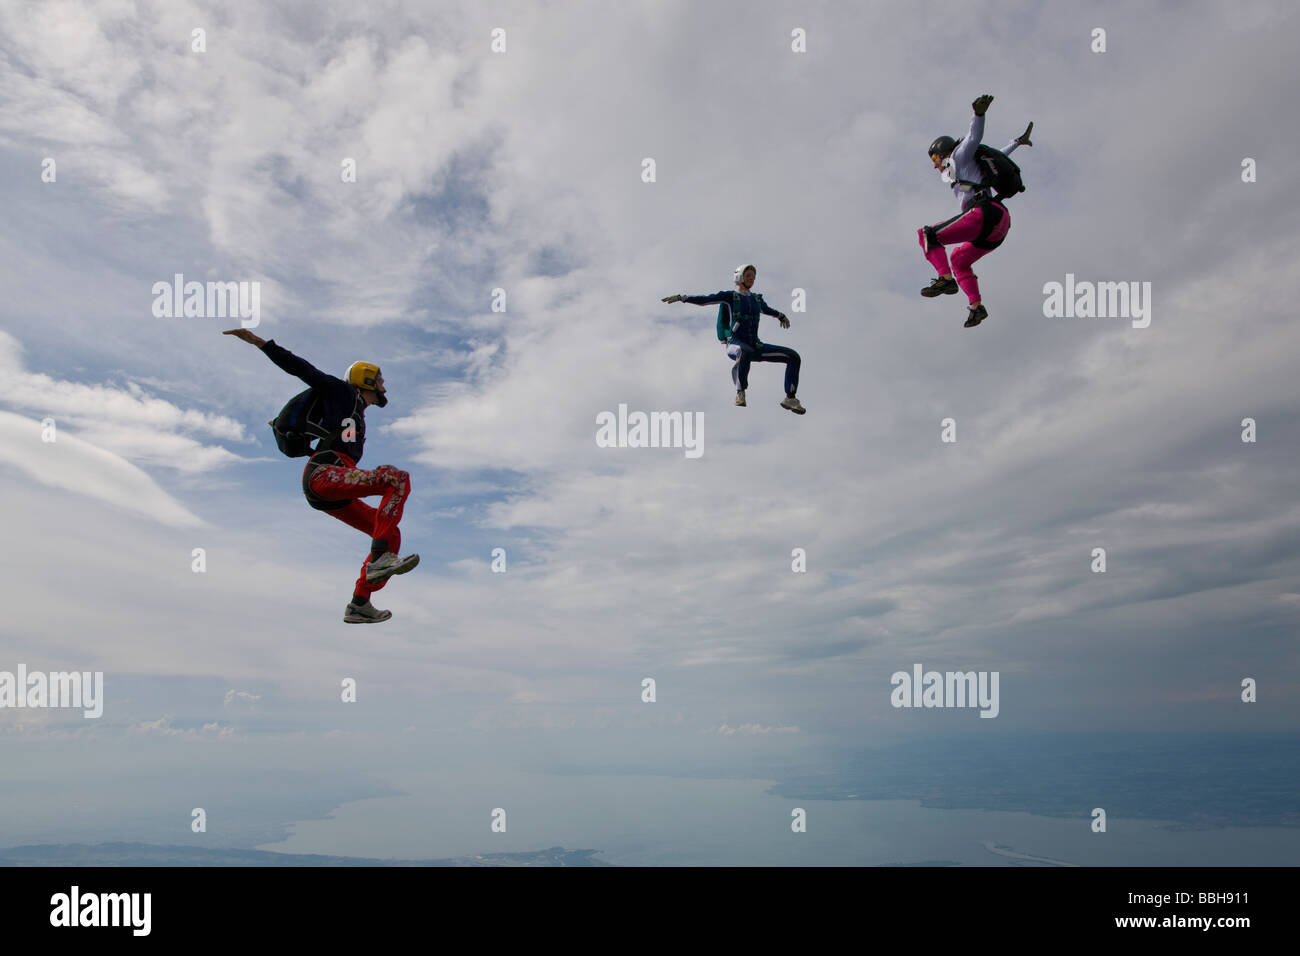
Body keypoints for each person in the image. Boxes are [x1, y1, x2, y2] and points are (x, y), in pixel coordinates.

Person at [223, 329, 418, 624]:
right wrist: (263, 344)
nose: (384, 388)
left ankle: (359, 603)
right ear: (365, 380)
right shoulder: (341, 392)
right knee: (397, 479)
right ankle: (379, 559)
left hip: (334, 490)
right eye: (379, 380)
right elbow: (305, 370)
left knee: (391, 534)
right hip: (324, 474)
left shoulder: (355, 412)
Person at [918, 94, 1033, 328]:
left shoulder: (958, 156)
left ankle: (945, 279)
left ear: (942, 152)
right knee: (959, 259)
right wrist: (1016, 142)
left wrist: (978, 115)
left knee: (927, 234)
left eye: (935, 158)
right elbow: (998, 155)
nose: (934, 164)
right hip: (998, 225)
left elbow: (973, 137)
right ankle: (976, 307)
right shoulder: (968, 167)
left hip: (983, 214)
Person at [662, 264, 806, 414]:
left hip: (755, 346)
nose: (752, 279)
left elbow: (768, 310)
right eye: (749, 275)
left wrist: (780, 316)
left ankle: (790, 398)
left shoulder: (756, 300)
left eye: (754, 276)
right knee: (744, 351)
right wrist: (682, 298)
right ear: (739, 277)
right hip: (735, 345)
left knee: (793, 357)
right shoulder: (730, 296)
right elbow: (705, 300)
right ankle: (740, 392)